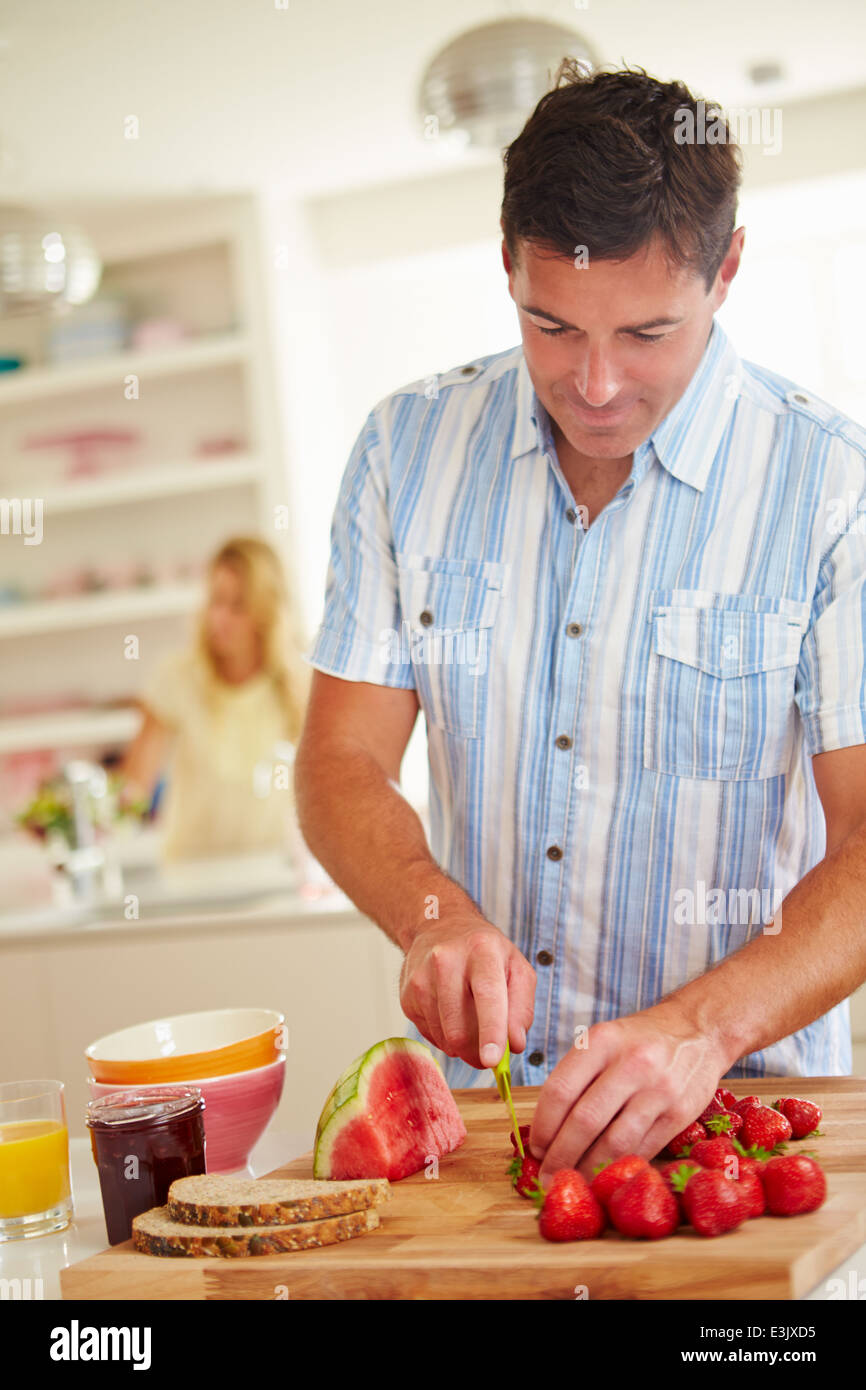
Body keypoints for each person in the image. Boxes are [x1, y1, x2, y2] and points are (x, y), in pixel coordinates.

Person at [294, 64, 866, 1184]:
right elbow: (337, 757)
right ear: (505, 264)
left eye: (646, 332)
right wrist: (428, 913)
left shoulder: (829, 490)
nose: (594, 384)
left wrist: (701, 1029)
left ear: (727, 269)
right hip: (483, 1135)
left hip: (742, 1132)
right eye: (549, 326)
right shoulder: (402, 452)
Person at [121, 536, 310, 864]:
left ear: (267, 611)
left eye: (237, 606)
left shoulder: (301, 682)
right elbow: (132, 792)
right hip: (192, 876)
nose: (219, 618)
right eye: (215, 601)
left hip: (277, 872)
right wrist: (77, 815)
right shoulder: (176, 677)